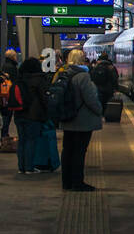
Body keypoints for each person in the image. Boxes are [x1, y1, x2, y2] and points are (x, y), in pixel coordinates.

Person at [56, 49, 103, 191]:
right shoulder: (83, 76)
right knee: (79, 152)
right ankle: (77, 182)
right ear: (82, 60)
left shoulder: (63, 74)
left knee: (67, 150)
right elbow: (91, 99)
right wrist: (100, 110)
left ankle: (67, 182)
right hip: (82, 121)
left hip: (67, 118)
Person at [14, 57, 52, 174]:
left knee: (22, 141)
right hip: (33, 115)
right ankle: (29, 167)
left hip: (19, 114)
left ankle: (21, 167)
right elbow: (44, 98)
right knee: (31, 140)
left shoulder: (19, 78)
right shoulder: (39, 79)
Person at [0, 48, 18, 149]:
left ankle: (4, 136)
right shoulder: (12, 67)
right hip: (8, 95)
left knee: (5, 117)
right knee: (7, 116)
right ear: (12, 57)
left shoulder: (5, 66)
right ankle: (4, 137)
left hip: (4, 95)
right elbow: (14, 81)